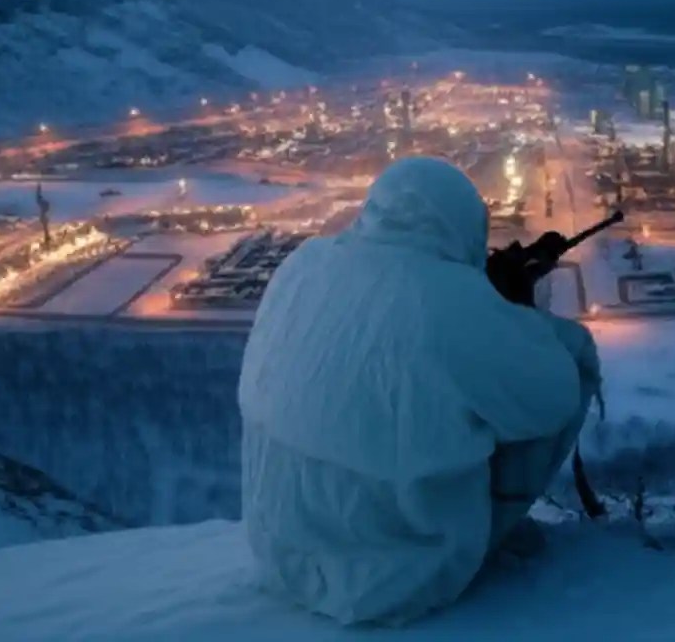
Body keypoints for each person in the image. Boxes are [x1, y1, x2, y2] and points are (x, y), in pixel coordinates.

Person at [238, 156, 602, 626]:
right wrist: (518, 318)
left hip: (277, 553)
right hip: (404, 575)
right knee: (570, 356)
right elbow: (552, 398)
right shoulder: (455, 302)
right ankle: (490, 525)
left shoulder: (302, 264)